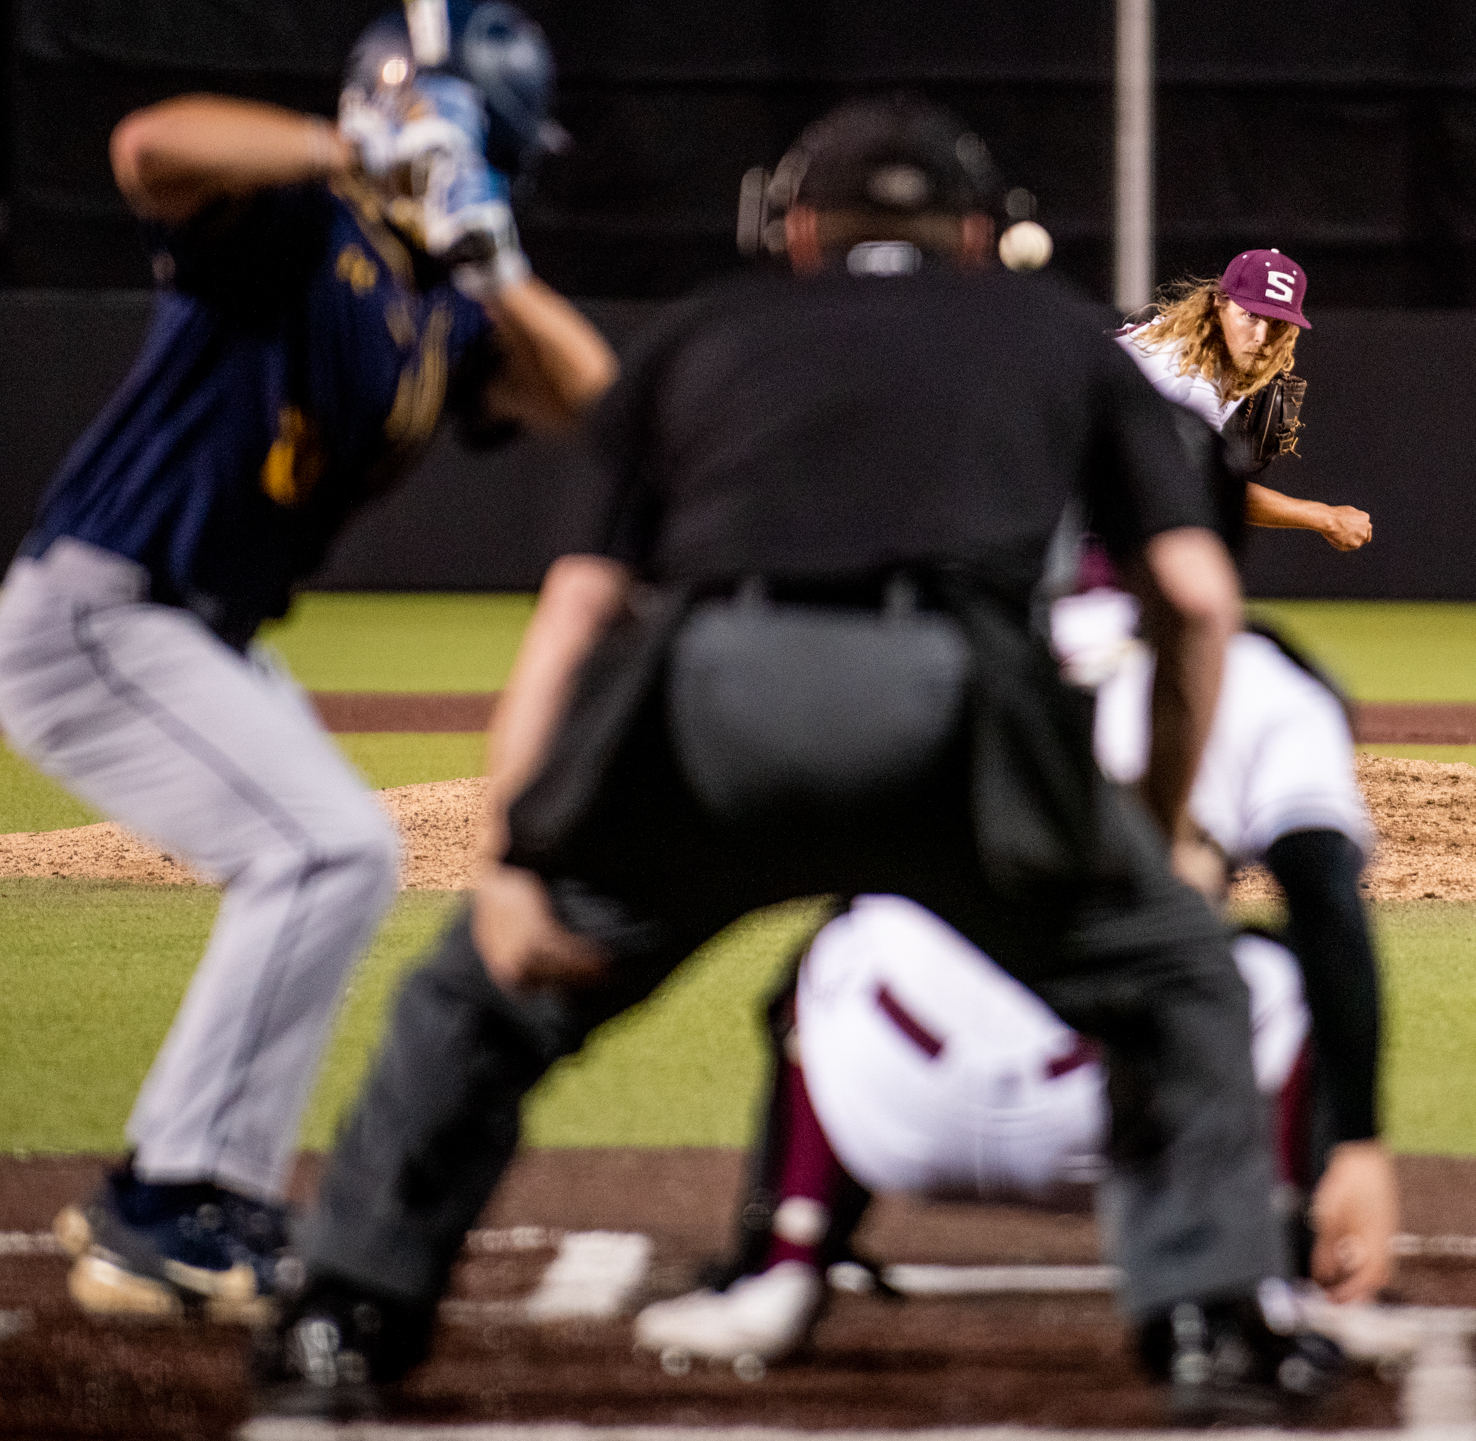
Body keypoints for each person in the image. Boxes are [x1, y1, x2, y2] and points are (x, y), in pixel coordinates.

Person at [264, 92, 1344, 1422]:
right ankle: (1207, 1328)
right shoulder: (1064, 339)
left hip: (717, 706)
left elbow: (581, 616)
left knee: (483, 997)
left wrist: (512, 861)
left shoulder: (694, 338)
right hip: (961, 714)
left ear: (796, 227)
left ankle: (346, 1317)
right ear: (974, 235)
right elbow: (1193, 598)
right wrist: (1156, 831)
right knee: (1182, 981)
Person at [0, 2, 617, 1324]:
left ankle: (192, 1192)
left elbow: (596, 401)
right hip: (102, 607)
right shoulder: (297, 221)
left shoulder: (443, 292)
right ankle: (172, 1204)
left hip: (195, 630)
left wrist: (491, 265)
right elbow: (152, 146)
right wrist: (350, 150)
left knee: (335, 854)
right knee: (328, 850)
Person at [632, 583, 1395, 1367]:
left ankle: (779, 1266)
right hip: (1127, 1114)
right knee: (1279, 971)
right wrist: (1361, 1143)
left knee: (847, 936)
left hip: (895, 1102)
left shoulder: (934, 641)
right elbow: (1326, 899)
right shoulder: (1261, 671)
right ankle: (1260, 1282)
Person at [1119, 252, 1373, 552]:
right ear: (1219, 303)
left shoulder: (1204, 346)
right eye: (1251, 315)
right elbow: (1204, 485)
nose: (1261, 337)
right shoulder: (1188, 378)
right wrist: (1325, 517)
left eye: (1277, 323)